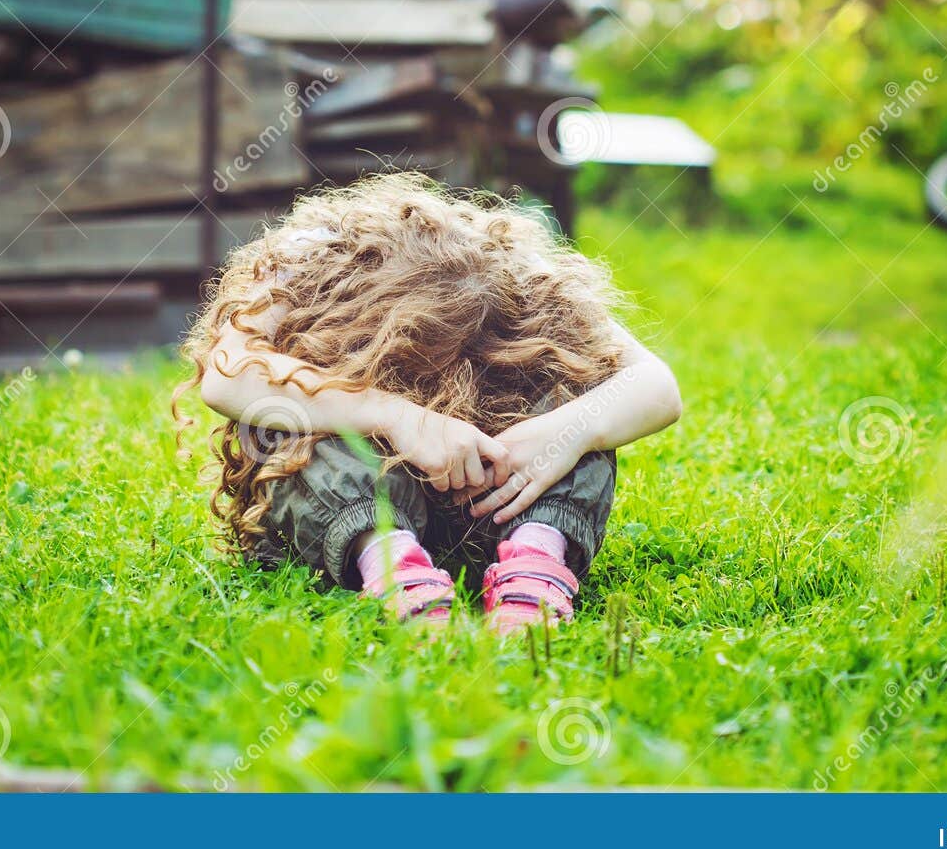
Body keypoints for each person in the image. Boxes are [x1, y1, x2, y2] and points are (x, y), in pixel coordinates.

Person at [177, 173, 680, 632]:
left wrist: (563, 432)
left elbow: (657, 385)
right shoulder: (314, 257)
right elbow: (227, 376)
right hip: (360, 506)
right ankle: (394, 568)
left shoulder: (522, 271)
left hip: (497, 499)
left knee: (583, 409)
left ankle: (535, 561)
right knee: (285, 428)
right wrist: (394, 415)